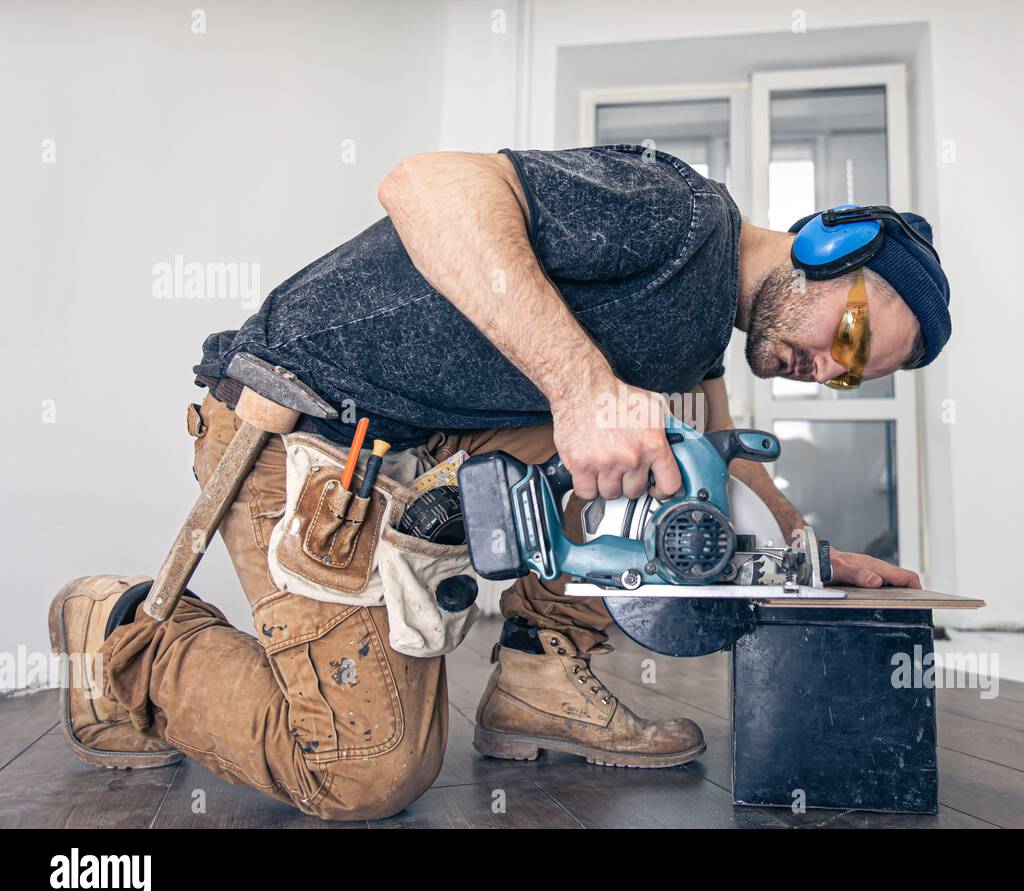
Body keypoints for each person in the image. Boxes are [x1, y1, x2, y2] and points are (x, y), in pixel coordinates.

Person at [51, 145, 951, 819]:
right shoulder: (682, 218)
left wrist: (810, 559)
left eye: (850, 377)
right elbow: (426, 184)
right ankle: (122, 636)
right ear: (834, 242)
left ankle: (538, 676)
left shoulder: (695, 336)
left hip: (407, 457)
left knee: (678, 463)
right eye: (851, 339)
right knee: (363, 774)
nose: (827, 371)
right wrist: (581, 389)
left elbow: (720, 460)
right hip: (310, 442)